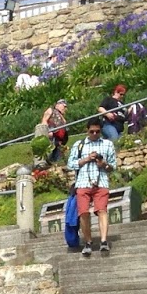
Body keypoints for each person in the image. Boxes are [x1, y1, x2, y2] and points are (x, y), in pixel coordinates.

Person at [68, 118, 118, 257]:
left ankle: (103, 241)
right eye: (92, 131)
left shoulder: (107, 144)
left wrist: (103, 164)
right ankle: (88, 242)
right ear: (87, 130)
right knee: (83, 213)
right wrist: (86, 159)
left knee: (102, 210)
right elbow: (70, 164)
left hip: (101, 182)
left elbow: (112, 166)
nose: (95, 134)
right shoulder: (79, 145)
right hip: (83, 183)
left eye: (97, 131)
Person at [40, 98, 69, 165]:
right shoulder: (51, 110)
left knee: (57, 161)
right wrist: (46, 132)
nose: (65, 109)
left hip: (59, 142)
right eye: (64, 106)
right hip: (51, 139)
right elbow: (44, 121)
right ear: (57, 105)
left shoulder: (62, 118)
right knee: (47, 159)